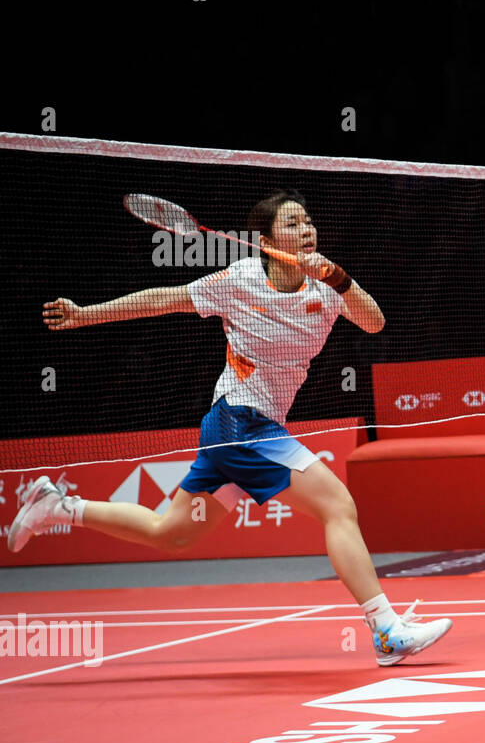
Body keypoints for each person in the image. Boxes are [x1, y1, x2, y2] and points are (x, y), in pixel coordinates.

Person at [9, 190, 452, 667]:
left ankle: (59, 506)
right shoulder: (239, 279)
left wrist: (340, 279)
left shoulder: (327, 286)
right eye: (293, 224)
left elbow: (375, 323)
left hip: (240, 430)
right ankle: (385, 629)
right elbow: (167, 299)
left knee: (172, 533)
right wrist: (87, 314)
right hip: (240, 422)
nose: (307, 231)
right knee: (337, 506)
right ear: (266, 240)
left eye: (308, 222)